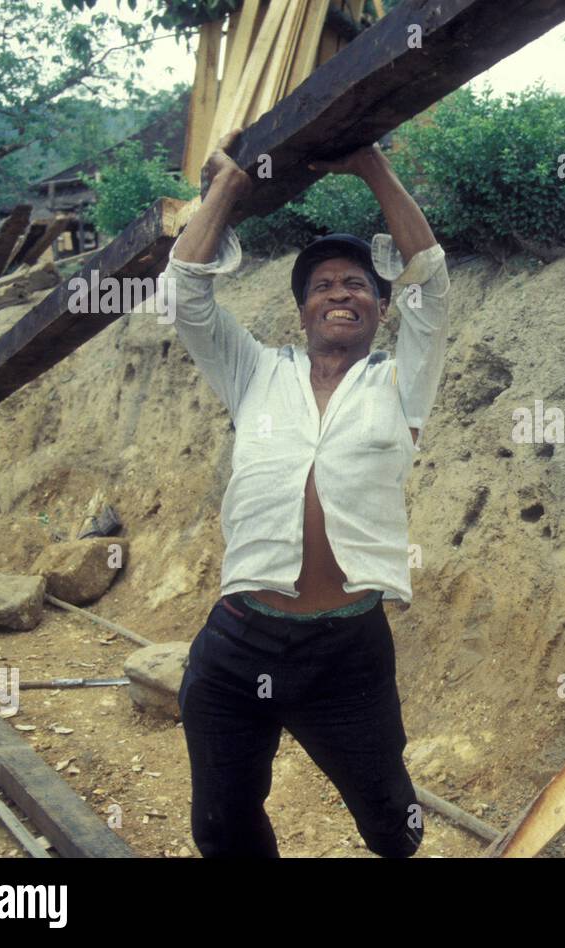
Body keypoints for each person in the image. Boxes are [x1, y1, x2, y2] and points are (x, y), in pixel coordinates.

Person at [169, 132, 449, 857]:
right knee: (222, 825)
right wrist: (226, 188)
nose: (339, 293)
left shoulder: (399, 383)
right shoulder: (255, 374)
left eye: (357, 284)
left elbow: (432, 280)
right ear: (300, 313)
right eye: (322, 285)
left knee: (393, 822)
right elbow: (187, 294)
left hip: (346, 651)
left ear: (382, 310)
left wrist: (369, 163)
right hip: (239, 641)